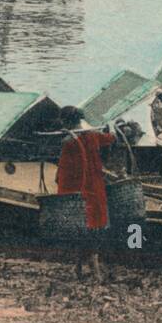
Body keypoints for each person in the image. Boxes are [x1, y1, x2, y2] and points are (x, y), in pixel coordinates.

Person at [55, 106, 115, 282]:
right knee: (95, 230)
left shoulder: (68, 142)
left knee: (81, 230)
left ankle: (90, 270)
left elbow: (63, 174)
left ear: (66, 122)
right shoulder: (93, 136)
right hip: (97, 191)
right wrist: (110, 128)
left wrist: (62, 193)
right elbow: (110, 138)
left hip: (80, 193)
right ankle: (86, 268)